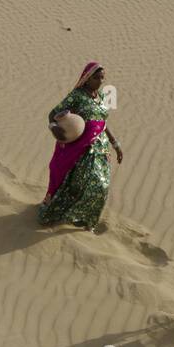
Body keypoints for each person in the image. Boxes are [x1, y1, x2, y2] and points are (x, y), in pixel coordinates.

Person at [37, 62, 124, 230]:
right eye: (96, 78)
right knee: (82, 185)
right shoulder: (77, 95)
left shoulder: (102, 97)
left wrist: (116, 144)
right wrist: (56, 131)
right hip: (82, 149)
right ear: (87, 78)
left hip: (102, 149)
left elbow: (103, 122)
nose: (100, 81)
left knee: (102, 187)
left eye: (102, 78)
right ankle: (63, 214)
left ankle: (86, 220)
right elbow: (53, 114)